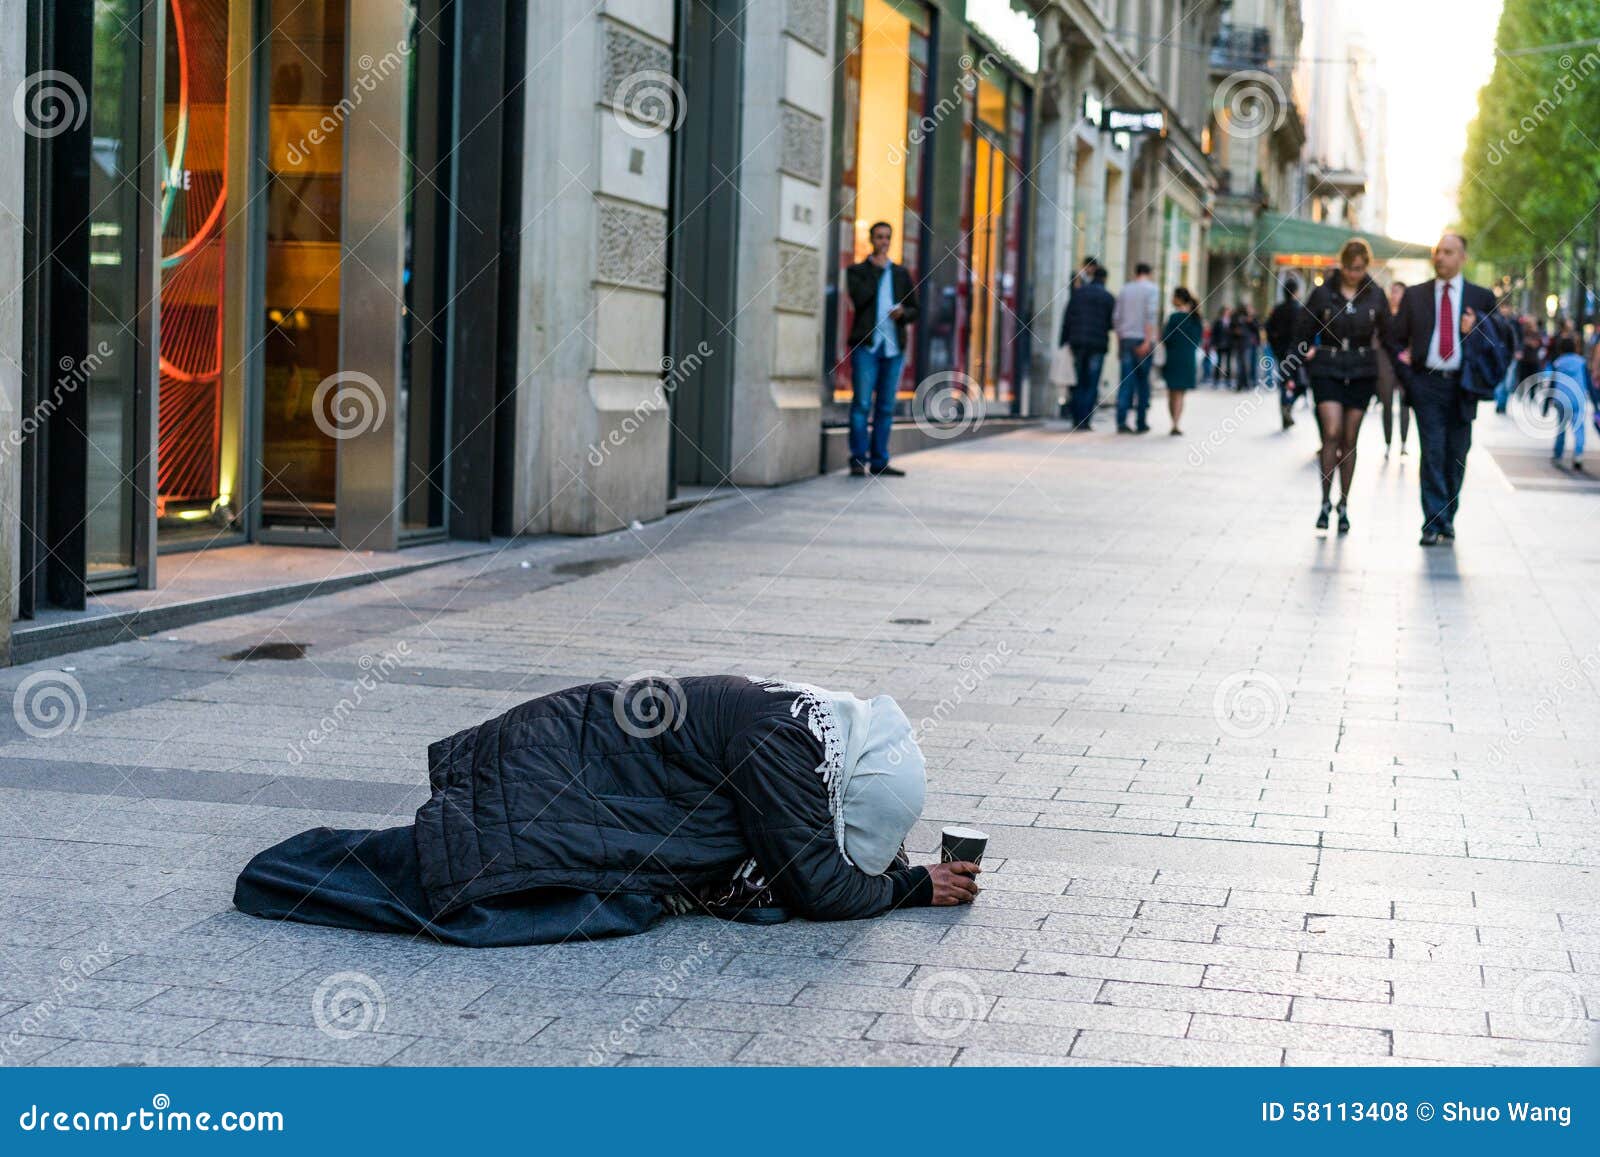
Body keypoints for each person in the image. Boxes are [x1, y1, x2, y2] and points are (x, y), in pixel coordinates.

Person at [235, 676, 981, 946]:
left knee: (574, 892)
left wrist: (895, 868)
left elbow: (804, 844)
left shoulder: (808, 726)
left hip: (576, 756)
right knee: (476, 882)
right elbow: (820, 883)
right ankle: (289, 871)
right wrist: (907, 888)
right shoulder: (783, 746)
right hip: (558, 771)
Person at [1391, 232, 1498, 545]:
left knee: (1457, 453)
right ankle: (1433, 520)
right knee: (1433, 451)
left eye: (1449, 252)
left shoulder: (1481, 298)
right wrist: (1407, 372)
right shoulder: (1415, 295)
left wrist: (1475, 330)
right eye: (1438, 252)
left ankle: (1447, 516)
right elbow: (1394, 337)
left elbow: (1498, 343)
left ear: (1463, 257)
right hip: (1427, 385)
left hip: (1463, 387)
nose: (1441, 258)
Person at [1296, 237, 1399, 535]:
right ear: (1342, 265)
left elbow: (1389, 334)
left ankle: (1344, 503)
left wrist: (1402, 364)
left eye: (1359, 268)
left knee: (1349, 439)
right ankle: (1324, 502)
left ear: (1366, 267)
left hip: (1361, 371)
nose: (1354, 274)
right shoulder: (1323, 293)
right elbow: (1304, 328)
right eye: (1349, 268)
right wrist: (1301, 353)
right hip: (1327, 368)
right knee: (1331, 432)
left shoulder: (1375, 295)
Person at [844, 221, 920, 477]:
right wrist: (876, 271)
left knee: (886, 407)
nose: (884, 241)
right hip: (867, 346)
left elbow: (915, 309)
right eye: (879, 237)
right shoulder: (857, 271)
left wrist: (903, 313)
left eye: (887, 237)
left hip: (893, 349)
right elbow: (860, 298)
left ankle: (879, 461)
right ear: (871, 240)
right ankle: (857, 459)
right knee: (862, 404)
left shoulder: (901, 274)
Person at [1058, 263, 1116, 430]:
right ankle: (1085, 420)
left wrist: (1063, 341)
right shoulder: (1108, 297)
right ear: (1104, 279)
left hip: (1077, 343)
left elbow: (1067, 318)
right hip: (1097, 345)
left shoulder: (1078, 294)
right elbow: (1112, 323)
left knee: (1078, 380)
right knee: (1091, 382)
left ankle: (1076, 418)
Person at [1113, 262, 1160, 433]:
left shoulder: (1125, 289)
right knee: (1142, 384)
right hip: (1142, 339)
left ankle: (1121, 421)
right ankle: (1141, 422)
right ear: (1149, 273)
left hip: (1126, 339)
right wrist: (1147, 341)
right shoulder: (1152, 289)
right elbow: (1151, 316)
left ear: (1135, 272)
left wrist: (1120, 343)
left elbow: (1117, 319)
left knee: (1125, 381)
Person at [1266, 278, 1309, 429]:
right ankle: (1288, 407)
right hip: (1295, 353)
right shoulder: (1299, 310)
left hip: (1282, 352)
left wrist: (1275, 347)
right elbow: (1305, 332)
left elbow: (1269, 329)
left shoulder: (1278, 310)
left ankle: (1285, 410)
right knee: (1301, 384)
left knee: (1285, 383)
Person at [1161, 287, 1204, 436]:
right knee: (1180, 393)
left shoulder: (1174, 317)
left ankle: (1174, 422)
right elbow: (1198, 340)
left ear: (1179, 298)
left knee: (1172, 392)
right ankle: (1176, 423)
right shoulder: (1195, 318)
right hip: (1187, 358)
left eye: (1173, 296)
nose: (1172, 299)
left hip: (1173, 358)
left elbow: (1165, 338)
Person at [1547, 334, 1593, 470]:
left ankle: (1558, 455)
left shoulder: (1558, 362)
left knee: (1561, 428)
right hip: (1578, 397)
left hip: (1562, 399)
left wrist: (1547, 403)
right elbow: (1589, 382)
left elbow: (1552, 383)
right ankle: (1578, 455)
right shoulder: (1581, 362)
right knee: (1579, 428)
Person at [1375, 280, 1411, 455]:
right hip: (1385, 364)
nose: (1396, 295)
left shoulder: (1411, 316)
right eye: (1394, 291)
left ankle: (1404, 442)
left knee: (1405, 405)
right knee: (1387, 404)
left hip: (1404, 364)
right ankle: (1388, 443)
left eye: (1400, 292)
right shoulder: (1383, 316)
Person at [1233, 304, 1260, 391]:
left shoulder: (1253, 318)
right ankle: (1241, 384)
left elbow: (1257, 328)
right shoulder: (1238, 318)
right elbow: (1233, 328)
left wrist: (1251, 321)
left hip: (1250, 344)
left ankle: (1249, 383)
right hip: (1240, 344)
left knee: (1249, 365)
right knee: (1241, 365)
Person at [1211, 306, 1233, 384]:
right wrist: (1213, 344)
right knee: (1218, 363)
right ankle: (1216, 380)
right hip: (1219, 344)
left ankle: (1228, 380)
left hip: (1229, 345)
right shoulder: (1218, 321)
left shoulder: (1232, 321)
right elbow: (1214, 333)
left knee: (1228, 363)